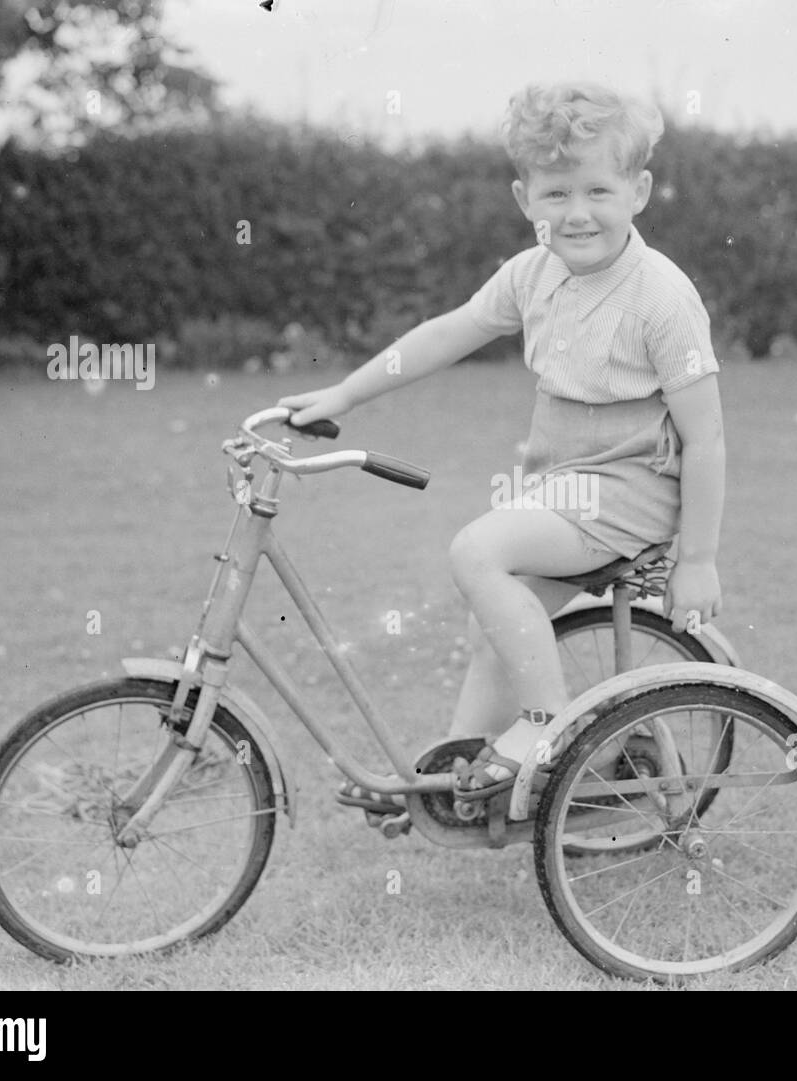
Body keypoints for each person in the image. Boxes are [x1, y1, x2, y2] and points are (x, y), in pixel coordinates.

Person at [279, 81, 725, 819]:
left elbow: (706, 435)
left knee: (477, 553)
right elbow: (448, 332)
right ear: (526, 199)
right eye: (555, 194)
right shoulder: (533, 272)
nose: (576, 212)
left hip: (627, 491)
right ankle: (458, 770)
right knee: (499, 620)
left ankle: (553, 728)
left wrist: (699, 559)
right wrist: (344, 396)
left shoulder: (661, 298)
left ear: (638, 191)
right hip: (560, 484)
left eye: (597, 190)